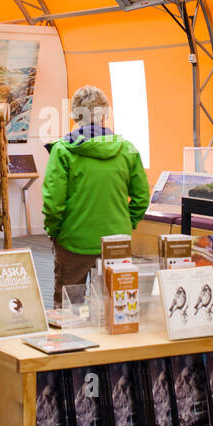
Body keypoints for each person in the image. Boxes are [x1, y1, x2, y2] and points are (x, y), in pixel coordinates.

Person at [42, 85, 150, 306]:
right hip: (116, 244)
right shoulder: (128, 150)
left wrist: (55, 232)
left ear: (74, 115)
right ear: (106, 114)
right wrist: (126, 225)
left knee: (68, 312)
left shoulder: (62, 151)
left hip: (73, 242)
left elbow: (53, 203)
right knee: (115, 311)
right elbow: (141, 198)